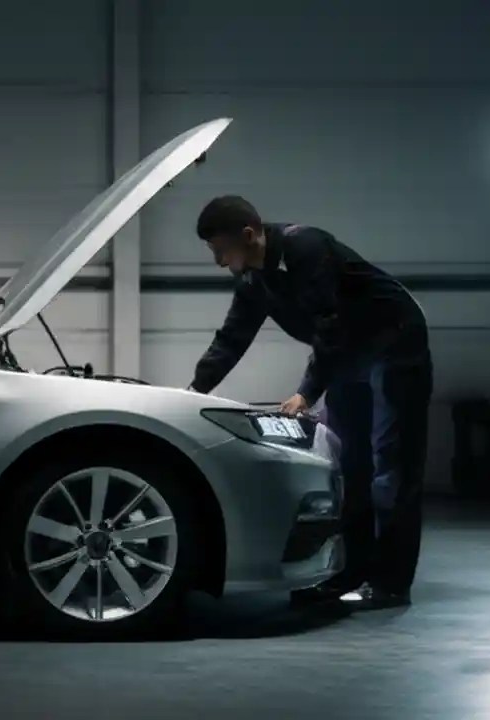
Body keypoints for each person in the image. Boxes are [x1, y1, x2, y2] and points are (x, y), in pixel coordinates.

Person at [186, 195, 433, 610]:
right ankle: (348, 574)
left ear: (248, 236)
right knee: (349, 465)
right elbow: (231, 338)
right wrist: (193, 392)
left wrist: (307, 391)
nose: (218, 262)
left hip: (394, 343)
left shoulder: (306, 248)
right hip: (348, 356)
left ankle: (390, 584)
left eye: (220, 250)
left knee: (392, 465)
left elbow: (330, 324)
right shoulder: (253, 280)